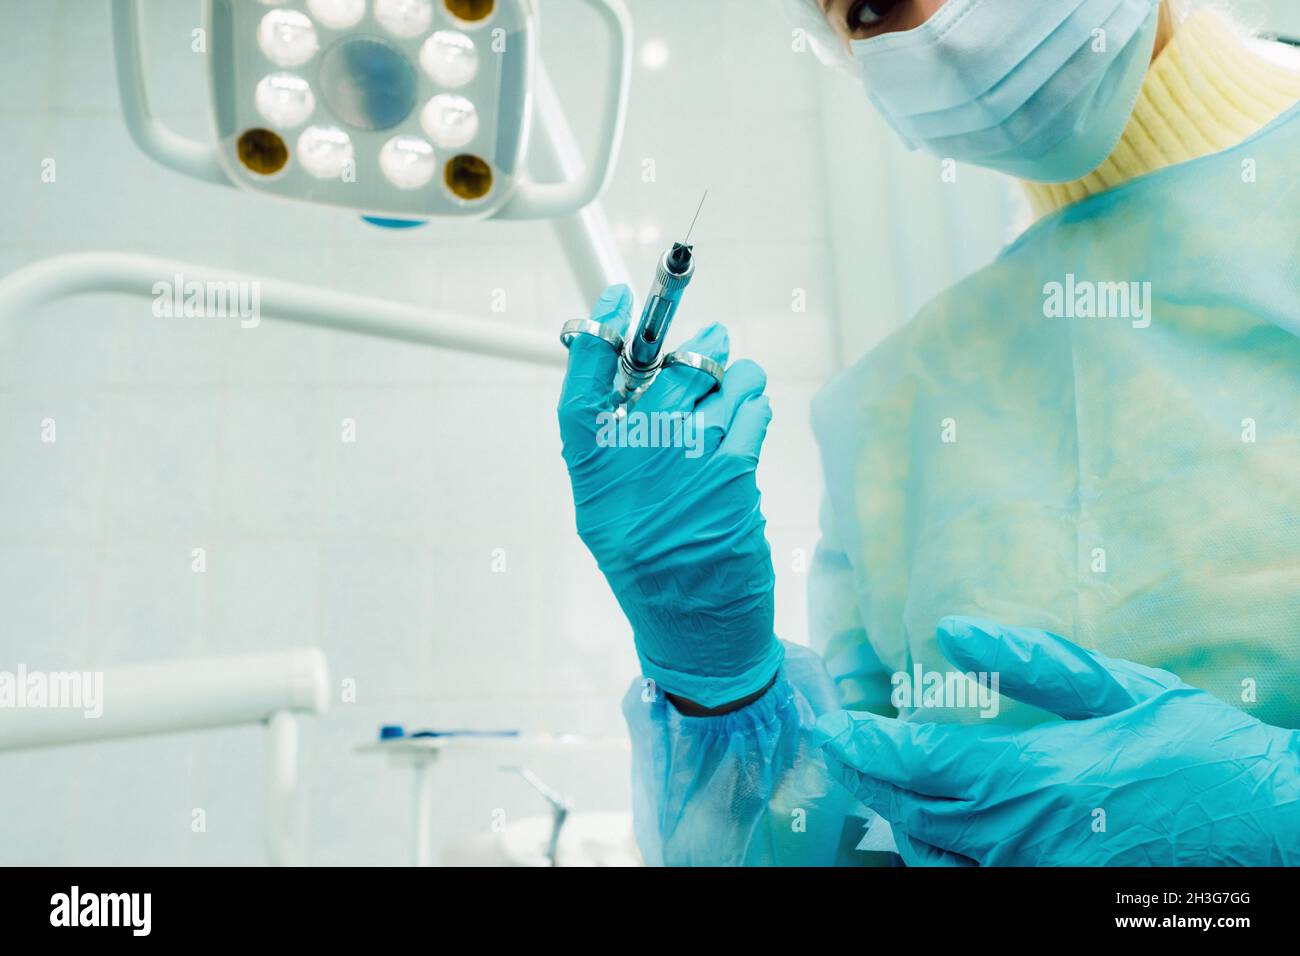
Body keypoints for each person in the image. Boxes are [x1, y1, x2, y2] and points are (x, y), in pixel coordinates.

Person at [558, 0, 1300, 865]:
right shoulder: (896, 405)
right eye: (868, 7)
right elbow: (855, 838)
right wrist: (718, 685)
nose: (940, 19)